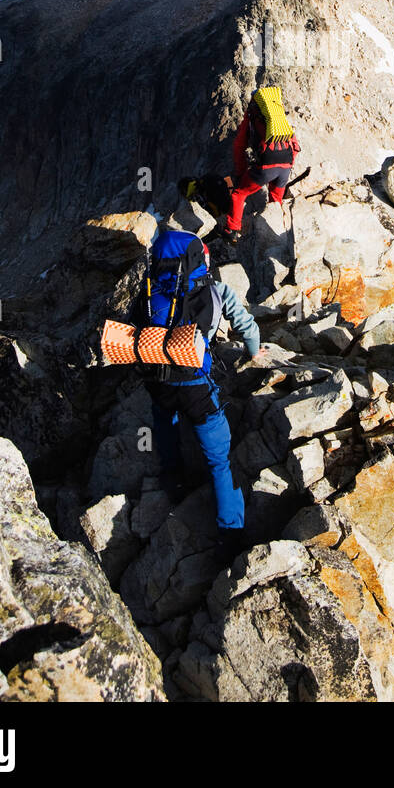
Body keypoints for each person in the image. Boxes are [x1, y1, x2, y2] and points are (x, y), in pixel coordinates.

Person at [128, 228, 269, 559]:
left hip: (159, 384)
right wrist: (253, 352)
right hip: (197, 388)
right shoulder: (215, 291)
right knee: (219, 460)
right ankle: (230, 533)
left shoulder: (148, 293)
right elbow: (247, 325)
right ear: (195, 259)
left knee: (164, 425)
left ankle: (174, 481)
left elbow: (133, 335)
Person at [224, 86, 300, 239]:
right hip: (287, 162)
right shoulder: (278, 119)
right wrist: (287, 164)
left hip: (267, 164)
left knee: (239, 194)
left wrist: (241, 173)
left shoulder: (253, 117)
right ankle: (279, 234)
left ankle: (231, 230)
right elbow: (295, 145)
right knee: (276, 200)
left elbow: (239, 145)